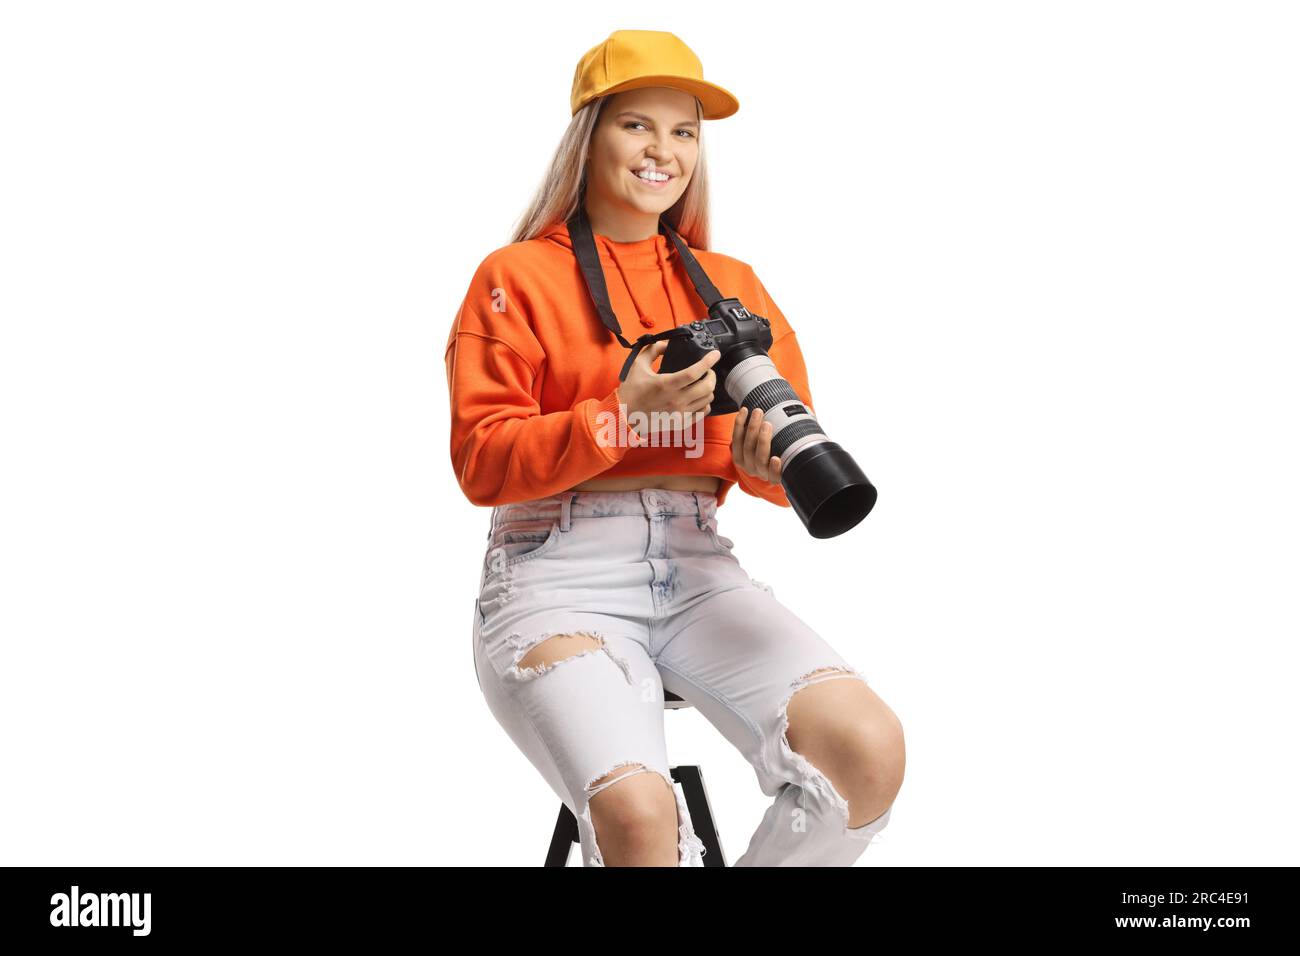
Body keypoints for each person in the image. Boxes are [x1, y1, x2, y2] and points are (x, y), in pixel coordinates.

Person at [445, 30, 905, 866]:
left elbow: (774, 458)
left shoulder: (731, 283)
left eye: (684, 130)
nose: (664, 151)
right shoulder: (513, 276)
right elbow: (482, 460)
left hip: (694, 563)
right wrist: (618, 414)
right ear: (590, 136)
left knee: (866, 748)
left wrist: (758, 465)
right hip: (554, 570)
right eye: (637, 125)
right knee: (641, 819)